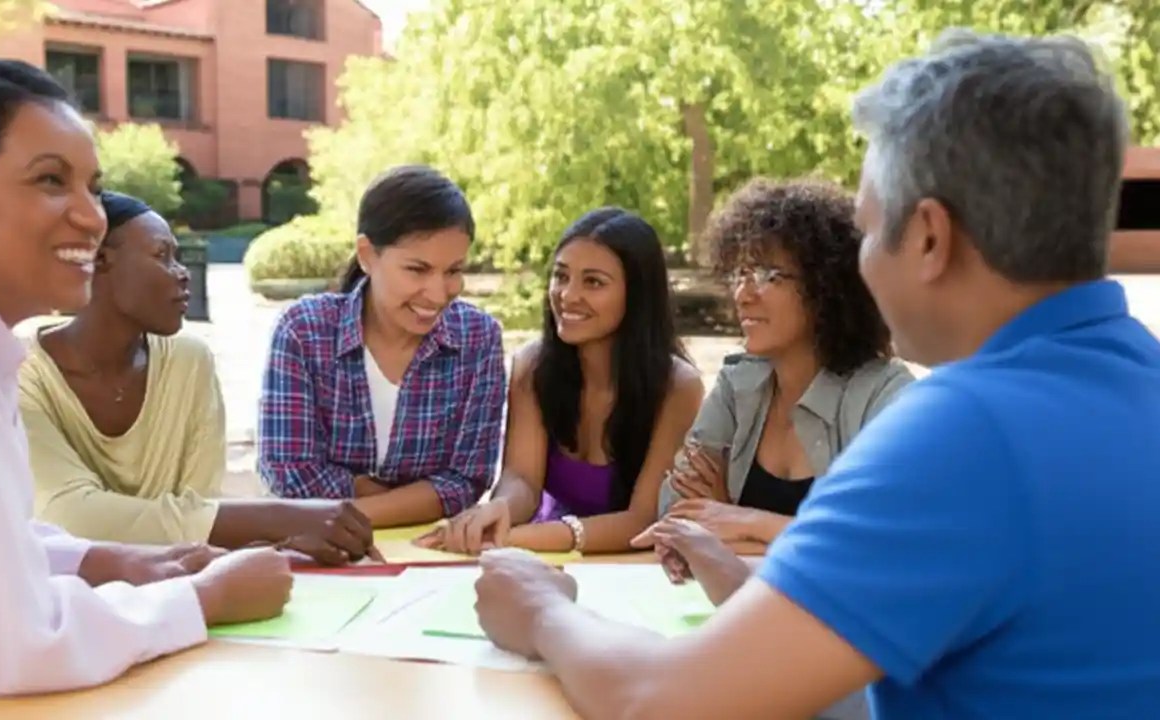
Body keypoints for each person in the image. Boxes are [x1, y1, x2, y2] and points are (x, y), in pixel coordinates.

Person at [472, 29, 1160, 719]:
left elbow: (662, 703)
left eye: (866, 230)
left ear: (927, 237)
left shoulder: (963, 432)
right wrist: (743, 585)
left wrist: (538, 611)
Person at [0, 57, 291, 695]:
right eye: (51, 181)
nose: (90, 217)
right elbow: (11, 640)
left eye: (93, 187)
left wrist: (102, 559)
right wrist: (203, 599)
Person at [19, 191, 376, 563]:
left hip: (174, 591)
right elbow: (68, 517)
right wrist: (275, 519)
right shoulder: (21, 369)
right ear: (101, 261)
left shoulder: (189, 362)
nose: (182, 272)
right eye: (161, 256)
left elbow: (198, 516)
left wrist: (269, 544)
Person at [418, 208, 703, 554]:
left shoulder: (678, 386)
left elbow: (643, 519)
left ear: (638, 293)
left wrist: (515, 539)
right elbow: (521, 480)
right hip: (544, 551)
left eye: (593, 282)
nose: (568, 295)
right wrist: (497, 513)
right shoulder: (533, 365)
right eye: (561, 276)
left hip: (632, 566)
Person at [650, 178, 914, 552]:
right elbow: (675, 508)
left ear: (827, 287)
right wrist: (730, 522)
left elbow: (887, 540)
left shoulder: (886, 397)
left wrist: (744, 520)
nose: (743, 294)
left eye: (768, 276)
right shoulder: (736, 386)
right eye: (739, 274)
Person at [258, 165, 506, 528]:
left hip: (427, 554)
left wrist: (356, 502)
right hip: (320, 551)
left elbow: (467, 481)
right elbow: (289, 474)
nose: (439, 294)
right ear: (367, 255)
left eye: (453, 270)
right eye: (417, 270)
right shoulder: (304, 331)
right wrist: (415, 498)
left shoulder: (478, 338)